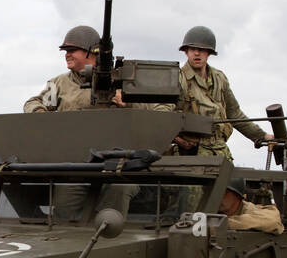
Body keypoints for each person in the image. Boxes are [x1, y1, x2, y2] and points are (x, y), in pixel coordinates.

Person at [172, 26, 272, 158]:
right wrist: (177, 139)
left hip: (220, 151)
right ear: (186, 52)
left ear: (209, 52)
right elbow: (164, 115)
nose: (197, 53)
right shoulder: (178, 79)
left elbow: (234, 113)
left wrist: (262, 136)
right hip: (192, 155)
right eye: (192, 49)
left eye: (201, 50)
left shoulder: (219, 78)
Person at [24, 25, 172, 113]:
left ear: (91, 52)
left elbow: (162, 107)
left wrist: (129, 103)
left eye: (72, 50)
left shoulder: (123, 80)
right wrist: (40, 112)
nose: (67, 55)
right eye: (66, 51)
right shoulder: (59, 84)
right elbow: (33, 103)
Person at [219, 178, 284, 234]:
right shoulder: (213, 208)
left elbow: (273, 221)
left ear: (237, 195)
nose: (218, 196)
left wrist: (224, 224)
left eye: (224, 192)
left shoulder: (249, 210)